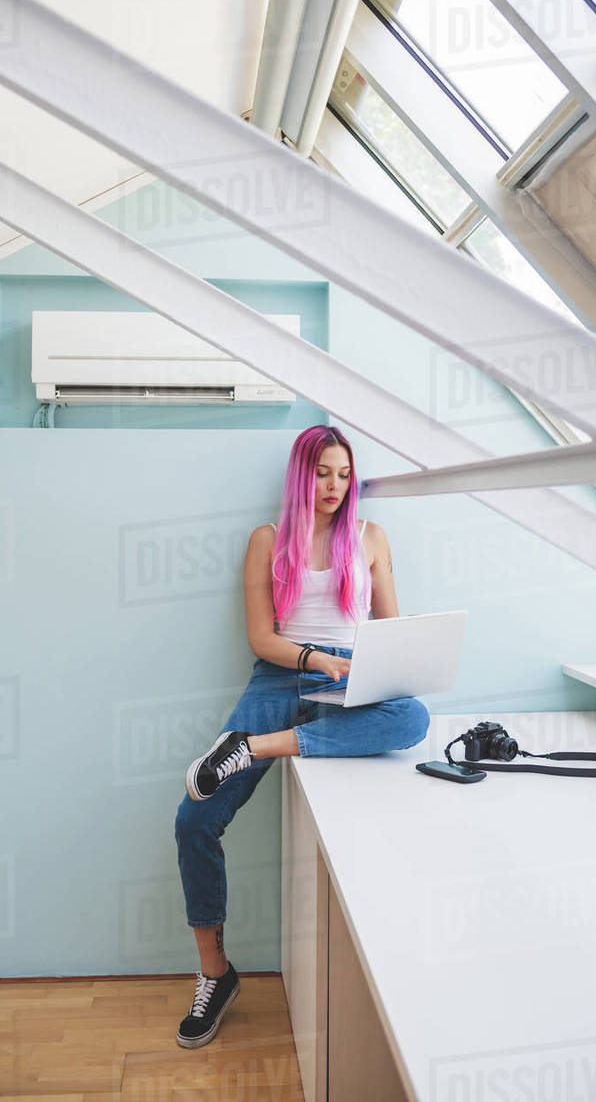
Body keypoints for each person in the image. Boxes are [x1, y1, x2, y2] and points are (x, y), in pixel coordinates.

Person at [173, 425, 430, 1048]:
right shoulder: (267, 540)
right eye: (323, 474)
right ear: (301, 475)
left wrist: (377, 668)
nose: (335, 487)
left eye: (344, 475)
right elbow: (262, 637)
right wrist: (318, 661)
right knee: (193, 820)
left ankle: (254, 750)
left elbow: (391, 629)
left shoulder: (371, 539)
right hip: (282, 674)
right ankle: (216, 974)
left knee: (413, 720)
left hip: (354, 674)